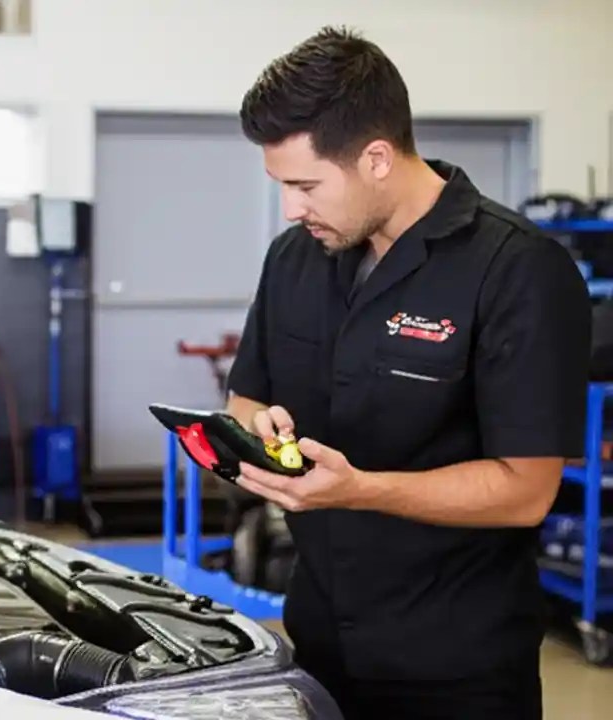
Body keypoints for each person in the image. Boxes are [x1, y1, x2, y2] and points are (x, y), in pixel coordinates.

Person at [226, 26, 592, 720]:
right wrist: (256, 433)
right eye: (280, 185)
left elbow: (526, 490)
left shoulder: (517, 271)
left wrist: (358, 490)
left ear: (376, 158)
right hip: (318, 647)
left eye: (306, 185)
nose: (290, 208)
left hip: (457, 669)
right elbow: (247, 399)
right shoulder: (293, 258)